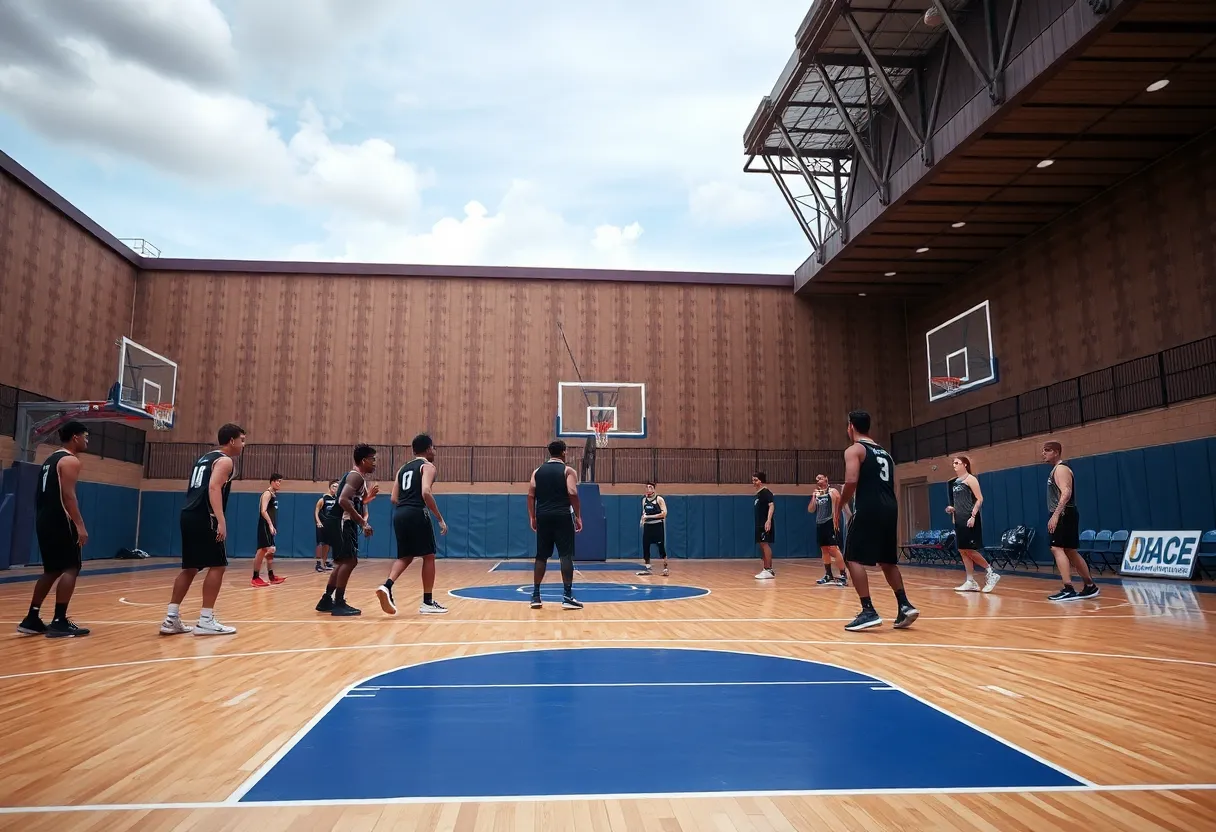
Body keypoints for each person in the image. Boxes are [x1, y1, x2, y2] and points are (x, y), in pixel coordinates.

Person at [160, 423, 245, 636]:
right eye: (242, 440)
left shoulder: (204, 458)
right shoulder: (225, 461)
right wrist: (220, 519)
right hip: (205, 515)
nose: (244, 445)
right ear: (232, 441)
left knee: (190, 567)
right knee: (218, 565)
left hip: (187, 514)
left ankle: (171, 618)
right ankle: (206, 620)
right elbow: (214, 487)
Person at [837, 410, 919, 631]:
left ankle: (868, 610)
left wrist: (840, 505)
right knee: (886, 560)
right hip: (890, 507)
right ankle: (904, 605)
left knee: (852, 557)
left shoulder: (855, 450)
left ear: (851, 426)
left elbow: (851, 481)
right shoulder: (885, 453)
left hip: (869, 507)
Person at [17, 421, 91, 638]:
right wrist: (80, 526)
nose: (87, 441)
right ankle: (59, 620)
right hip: (61, 519)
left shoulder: (50, 460)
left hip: (44, 519)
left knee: (51, 570)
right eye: (85, 436)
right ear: (75, 437)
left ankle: (32, 618)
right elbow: (69, 496)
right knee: (71, 567)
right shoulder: (70, 460)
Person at [376, 434, 449, 616]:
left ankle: (387, 586)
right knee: (429, 555)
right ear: (429, 448)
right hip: (417, 511)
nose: (434, 451)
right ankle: (427, 602)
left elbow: (394, 498)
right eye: (433, 448)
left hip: (400, 513)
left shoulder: (402, 469)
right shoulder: (428, 466)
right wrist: (439, 518)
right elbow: (425, 491)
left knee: (405, 556)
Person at [316, 444, 377, 616]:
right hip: (342, 522)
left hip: (338, 522)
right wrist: (362, 523)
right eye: (373, 459)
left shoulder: (355, 477)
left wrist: (366, 500)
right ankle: (339, 603)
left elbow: (351, 500)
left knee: (343, 562)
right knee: (350, 561)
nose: (375, 463)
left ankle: (327, 599)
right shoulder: (355, 477)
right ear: (364, 460)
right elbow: (343, 500)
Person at [528, 440, 583, 610]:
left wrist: (532, 517)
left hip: (543, 516)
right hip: (562, 516)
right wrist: (578, 516)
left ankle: (536, 596)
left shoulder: (537, 472)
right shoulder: (568, 471)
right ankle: (567, 595)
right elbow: (572, 492)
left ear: (549, 453)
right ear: (564, 452)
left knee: (541, 556)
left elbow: (530, 495)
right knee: (565, 555)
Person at [1042, 441, 1099, 601]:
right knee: (1070, 551)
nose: (1043, 454)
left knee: (1056, 548)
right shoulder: (1057, 469)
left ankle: (1068, 588)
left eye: (1047, 450)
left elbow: (1066, 492)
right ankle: (1090, 586)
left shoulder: (1061, 469)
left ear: (1056, 452)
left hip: (1063, 513)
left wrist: (1056, 515)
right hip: (1066, 513)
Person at [946, 456, 999, 592]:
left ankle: (991, 573)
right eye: (953, 463)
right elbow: (956, 503)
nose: (954, 465)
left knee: (970, 549)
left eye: (957, 463)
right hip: (959, 519)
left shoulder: (971, 479)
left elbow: (980, 499)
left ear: (965, 464)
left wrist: (973, 515)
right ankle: (970, 581)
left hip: (970, 519)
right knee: (962, 550)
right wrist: (951, 509)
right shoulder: (954, 483)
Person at [809, 474, 846, 586]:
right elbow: (811, 509)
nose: (818, 481)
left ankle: (843, 575)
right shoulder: (817, 493)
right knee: (824, 549)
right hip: (820, 523)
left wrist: (836, 521)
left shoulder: (833, 491)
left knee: (834, 549)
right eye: (816, 479)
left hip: (830, 522)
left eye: (820, 478)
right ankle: (828, 574)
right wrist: (813, 497)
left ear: (826, 478)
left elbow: (839, 502)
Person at [252, 474, 285, 586]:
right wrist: (270, 524)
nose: (279, 483)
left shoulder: (273, 495)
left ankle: (271, 576)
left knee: (271, 550)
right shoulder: (267, 494)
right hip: (265, 525)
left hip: (270, 526)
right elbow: (263, 511)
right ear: (272, 481)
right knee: (262, 550)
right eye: (278, 481)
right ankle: (255, 577)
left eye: (280, 481)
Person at [637, 481, 669, 577]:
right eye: (647, 487)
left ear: (654, 489)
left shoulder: (659, 499)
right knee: (645, 546)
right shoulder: (644, 500)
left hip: (657, 526)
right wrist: (642, 519)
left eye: (650, 487)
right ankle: (648, 568)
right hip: (648, 526)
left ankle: (665, 568)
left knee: (661, 547)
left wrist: (651, 517)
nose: (648, 489)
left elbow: (664, 514)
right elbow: (644, 512)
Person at [752, 472, 775, 580]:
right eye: (753, 480)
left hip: (765, 523)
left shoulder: (766, 492)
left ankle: (768, 569)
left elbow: (771, 506)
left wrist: (768, 520)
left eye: (756, 480)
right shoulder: (759, 494)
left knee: (765, 545)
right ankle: (765, 569)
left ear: (761, 480)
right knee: (762, 545)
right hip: (759, 523)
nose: (754, 482)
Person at [313, 480, 337, 572]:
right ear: (330, 487)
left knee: (327, 544)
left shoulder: (336, 499)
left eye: (337, 487)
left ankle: (324, 562)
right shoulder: (323, 499)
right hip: (322, 524)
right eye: (334, 486)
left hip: (330, 526)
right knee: (320, 543)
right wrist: (318, 522)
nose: (336, 488)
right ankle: (318, 564)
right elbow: (316, 511)